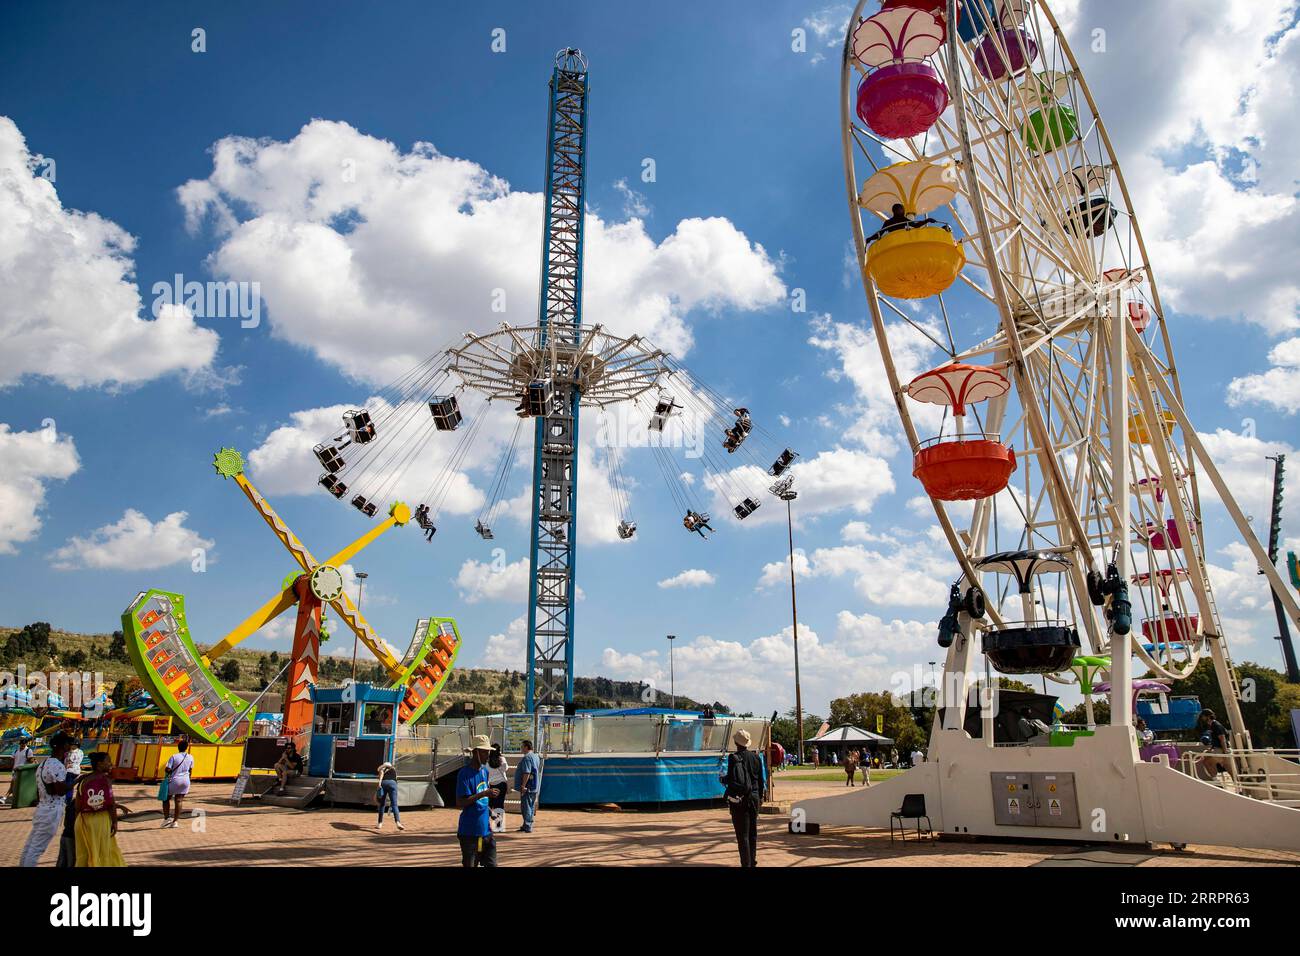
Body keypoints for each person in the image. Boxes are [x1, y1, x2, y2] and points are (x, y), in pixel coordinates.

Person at [19, 731, 74, 866]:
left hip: (42, 809)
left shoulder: (44, 764)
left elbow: (42, 791)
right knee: (36, 849)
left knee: (31, 846)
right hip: (51, 812)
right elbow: (60, 791)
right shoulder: (58, 766)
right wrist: (76, 781)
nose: (70, 746)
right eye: (68, 744)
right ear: (63, 746)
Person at [74, 752, 128, 867]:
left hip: (83, 821)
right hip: (101, 821)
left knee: (86, 853)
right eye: (108, 761)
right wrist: (114, 822)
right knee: (104, 852)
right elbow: (110, 804)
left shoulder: (83, 780)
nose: (111, 764)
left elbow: (78, 807)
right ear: (99, 764)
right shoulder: (105, 780)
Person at [720, 729, 764, 867]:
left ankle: (746, 863)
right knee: (753, 833)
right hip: (755, 798)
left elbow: (733, 780)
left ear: (736, 742)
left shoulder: (734, 758)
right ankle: (753, 861)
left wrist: (722, 779)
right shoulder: (756, 757)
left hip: (740, 800)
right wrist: (761, 797)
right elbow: (761, 781)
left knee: (742, 835)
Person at [456, 734, 495, 866]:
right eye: (484, 752)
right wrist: (484, 793)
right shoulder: (464, 774)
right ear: (475, 752)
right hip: (469, 833)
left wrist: (490, 811)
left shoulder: (485, 772)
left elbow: (481, 801)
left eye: (488, 752)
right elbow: (461, 802)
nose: (487, 755)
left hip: (486, 832)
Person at [160, 737, 194, 829]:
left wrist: (169, 772)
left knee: (166, 799)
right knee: (179, 800)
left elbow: (167, 768)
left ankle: (167, 818)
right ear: (186, 748)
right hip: (185, 780)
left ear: (178, 747)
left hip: (175, 780)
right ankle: (175, 821)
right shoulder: (190, 757)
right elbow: (190, 770)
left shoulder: (174, 756)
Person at [513, 739, 540, 834]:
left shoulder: (527, 758)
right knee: (530, 806)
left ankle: (527, 825)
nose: (521, 749)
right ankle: (527, 824)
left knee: (526, 807)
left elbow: (527, 772)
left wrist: (523, 786)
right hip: (534, 786)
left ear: (526, 747)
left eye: (522, 747)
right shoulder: (536, 756)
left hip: (528, 787)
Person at [3, 736, 35, 806]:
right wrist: (11, 766)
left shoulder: (28, 751)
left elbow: (31, 761)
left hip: (23, 772)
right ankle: (16, 799)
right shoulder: (16, 750)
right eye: (21, 743)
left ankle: (5, 797)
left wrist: (31, 759)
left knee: (13, 783)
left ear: (26, 743)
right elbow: (12, 760)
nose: (22, 745)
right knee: (16, 786)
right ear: (19, 743)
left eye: (24, 743)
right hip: (15, 770)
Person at [486, 744, 510, 833]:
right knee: (499, 805)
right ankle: (499, 826)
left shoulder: (487, 760)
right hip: (501, 784)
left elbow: (486, 771)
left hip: (491, 785)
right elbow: (505, 769)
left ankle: (487, 825)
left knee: (489, 805)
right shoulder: (502, 759)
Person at [374, 760, 403, 831]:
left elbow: (380, 775)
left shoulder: (383, 769)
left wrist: (379, 784)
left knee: (382, 804)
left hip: (384, 783)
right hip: (393, 784)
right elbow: (396, 779)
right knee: (394, 804)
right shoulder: (394, 770)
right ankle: (398, 822)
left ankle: (379, 823)